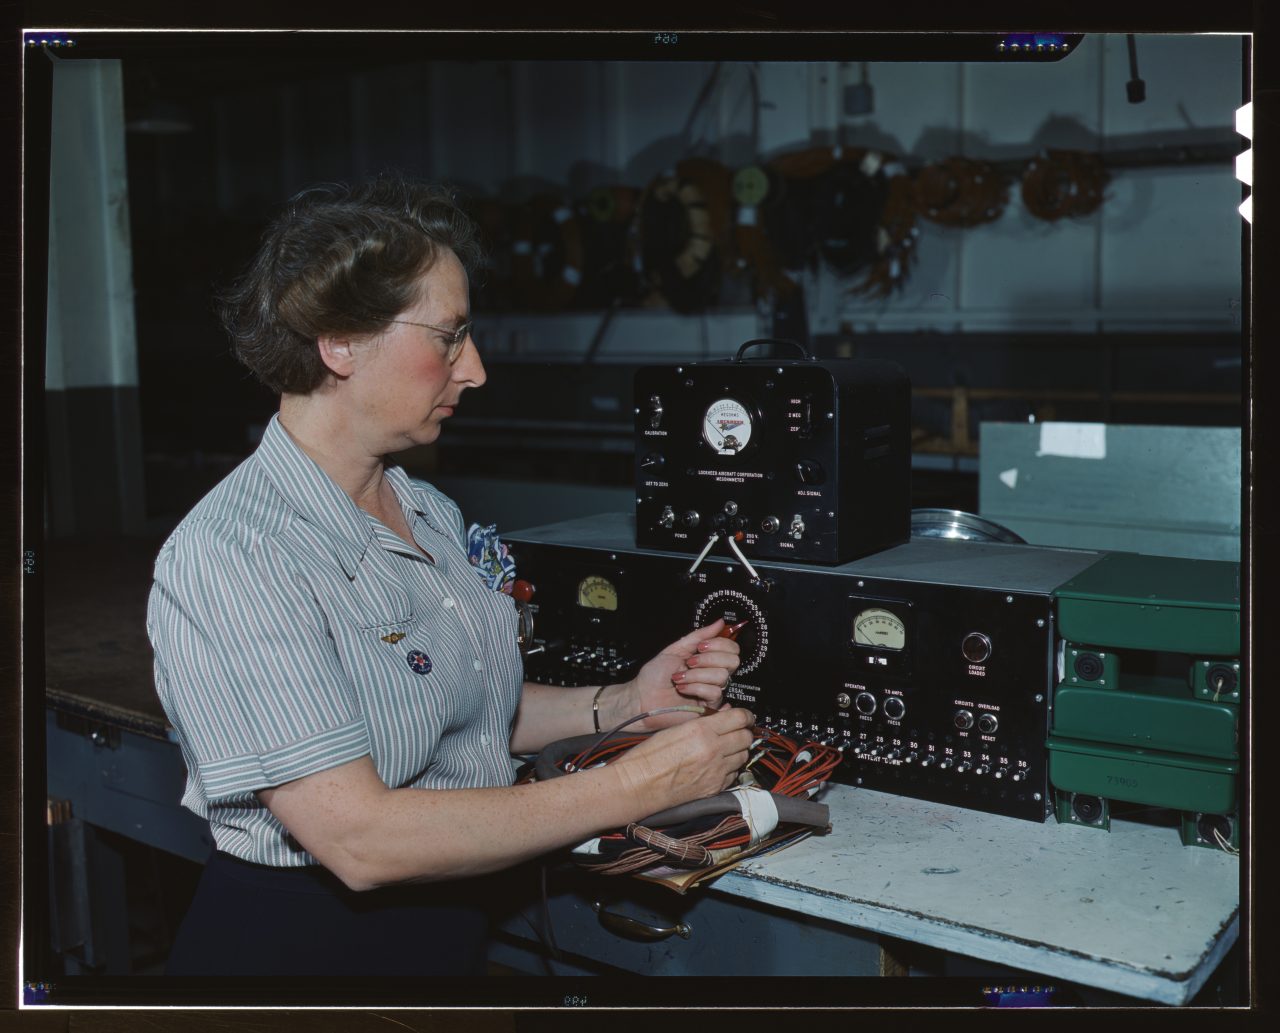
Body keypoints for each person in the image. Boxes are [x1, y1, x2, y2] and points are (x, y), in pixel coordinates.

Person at [145, 174, 754, 978]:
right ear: (339, 342)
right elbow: (360, 839)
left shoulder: (422, 507)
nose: (476, 369)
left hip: (442, 943)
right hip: (305, 956)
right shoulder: (236, 554)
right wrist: (640, 784)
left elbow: (449, 708)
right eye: (448, 336)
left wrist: (627, 703)